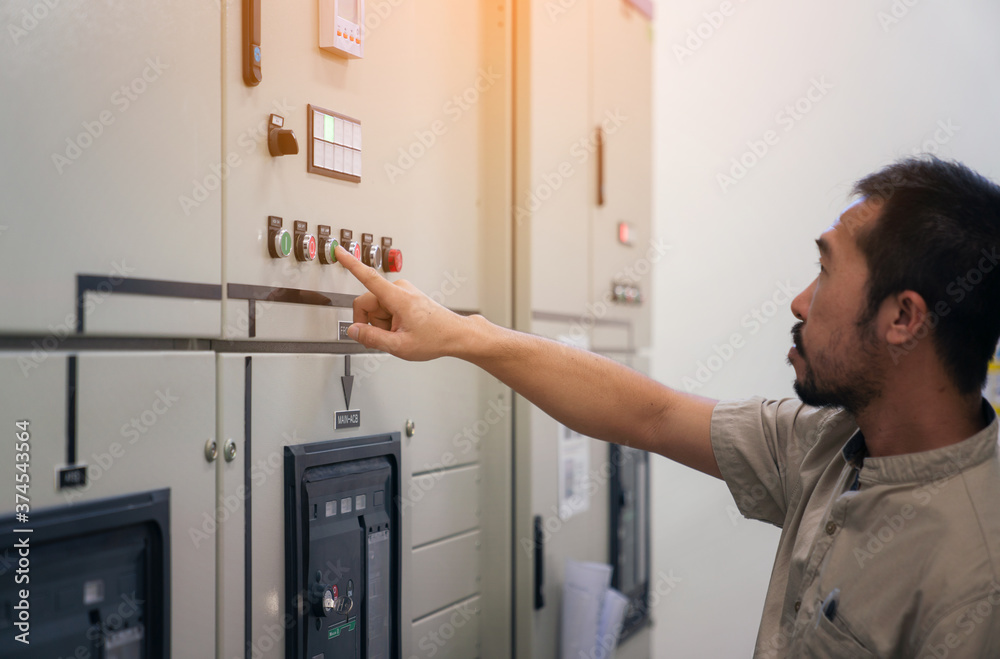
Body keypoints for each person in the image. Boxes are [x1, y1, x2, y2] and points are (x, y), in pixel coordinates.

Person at [334, 155, 1000, 658]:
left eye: (825, 271)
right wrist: (462, 334)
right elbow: (647, 414)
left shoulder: (976, 576)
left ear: (903, 318)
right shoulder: (828, 444)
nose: (801, 301)